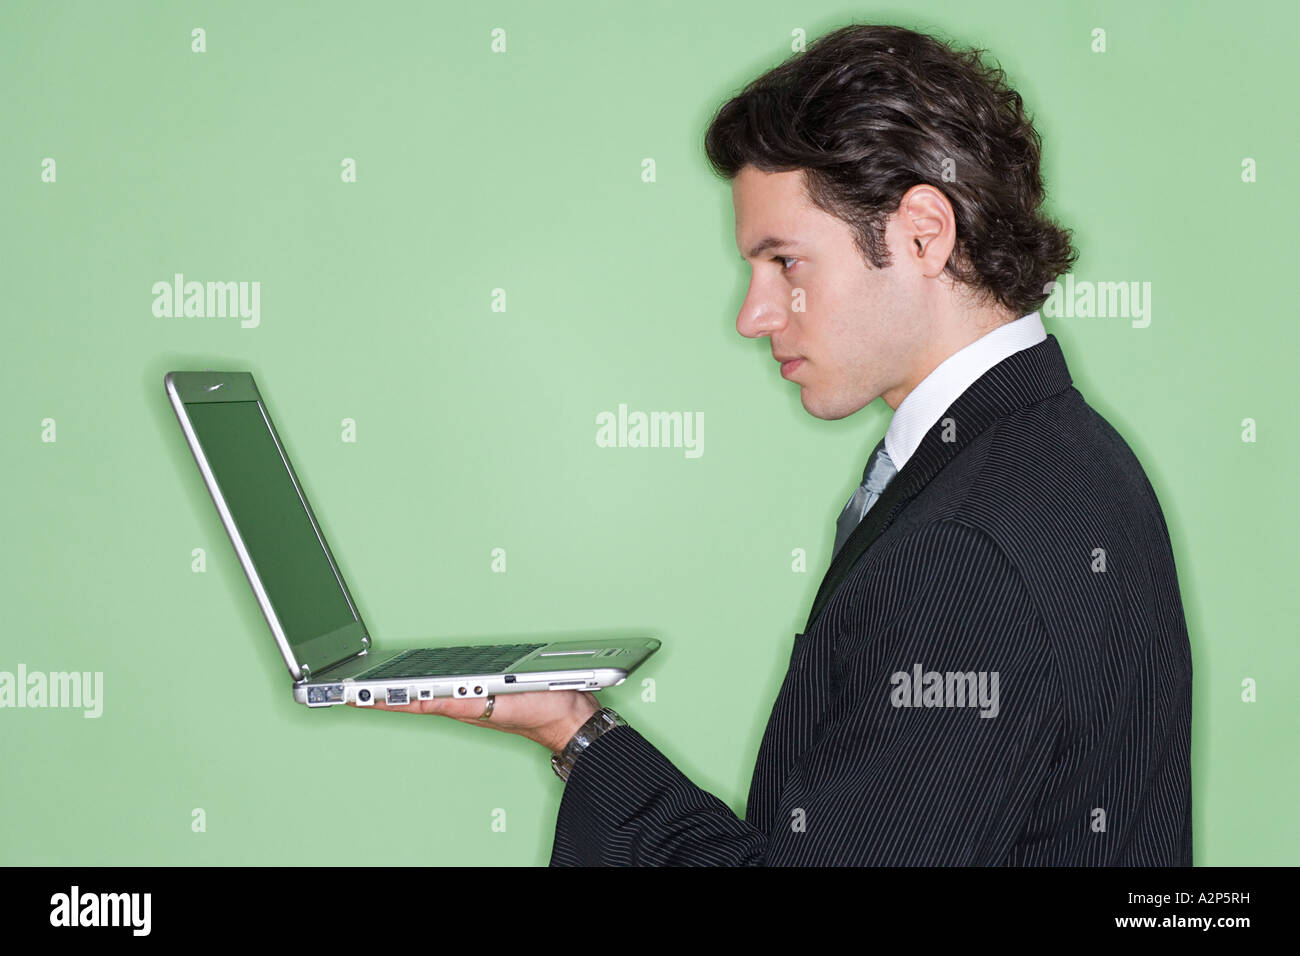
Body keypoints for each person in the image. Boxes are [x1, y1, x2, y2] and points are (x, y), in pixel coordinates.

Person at [352, 23, 1193, 866]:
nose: (753, 315)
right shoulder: (1073, 453)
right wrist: (575, 728)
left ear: (922, 233)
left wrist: (582, 742)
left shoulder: (965, 547)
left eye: (785, 262)